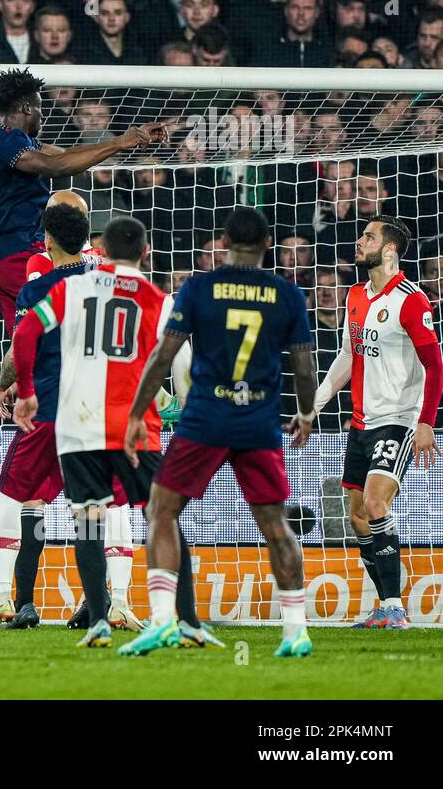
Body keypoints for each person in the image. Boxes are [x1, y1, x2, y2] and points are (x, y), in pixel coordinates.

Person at [121, 207, 320, 658]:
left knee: (162, 510)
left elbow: (161, 356)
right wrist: (306, 413)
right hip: (259, 421)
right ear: (268, 244)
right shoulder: (287, 295)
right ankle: (296, 631)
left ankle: (162, 620)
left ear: (225, 243)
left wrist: (136, 414)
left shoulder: (198, 289)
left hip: (206, 419)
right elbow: (305, 366)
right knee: (275, 524)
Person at [11, 216, 173, 648]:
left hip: (74, 419)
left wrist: (23, 390)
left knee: (77, 515)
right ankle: (166, 615)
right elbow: (177, 355)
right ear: (145, 253)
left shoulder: (70, 288)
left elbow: (25, 333)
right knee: (156, 515)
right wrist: (174, 401)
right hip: (133, 424)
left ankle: (88, 616)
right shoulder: (155, 298)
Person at [309, 215, 443, 630]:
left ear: (388, 250)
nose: (359, 241)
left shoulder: (411, 299)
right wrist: (314, 403)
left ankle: (394, 607)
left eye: (368, 236)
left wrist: (425, 422)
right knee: (356, 516)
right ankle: (387, 606)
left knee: (374, 503)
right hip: (361, 423)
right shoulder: (355, 295)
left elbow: (435, 366)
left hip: (398, 420)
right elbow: (349, 356)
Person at [0, 67, 166, 332]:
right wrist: (120, 142)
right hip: (15, 252)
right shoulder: (9, 143)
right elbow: (57, 166)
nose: (42, 115)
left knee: (25, 340)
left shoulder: (7, 136)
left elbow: (65, 155)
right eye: (40, 108)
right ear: (27, 108)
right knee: (62, 328)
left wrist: (127, 143)